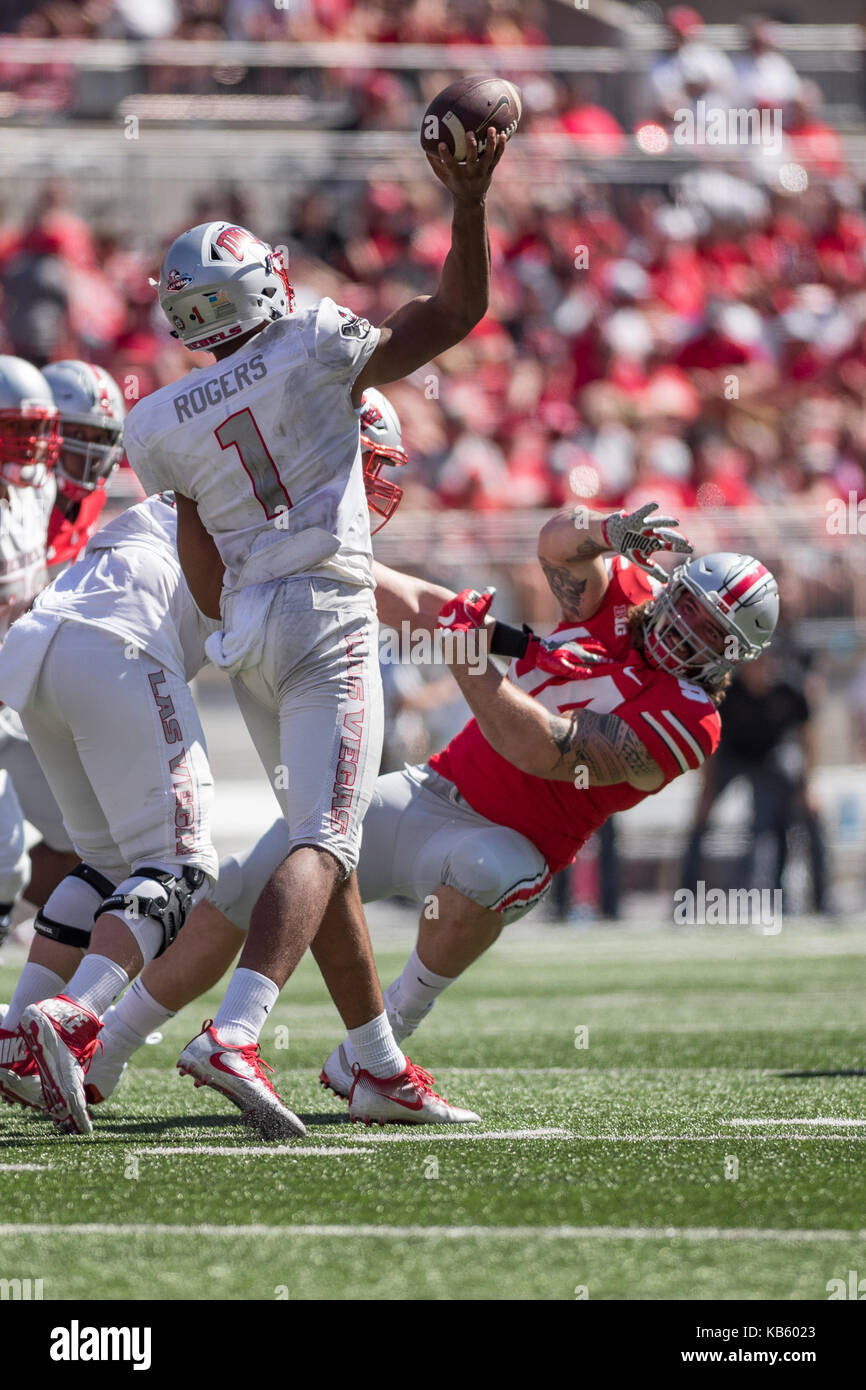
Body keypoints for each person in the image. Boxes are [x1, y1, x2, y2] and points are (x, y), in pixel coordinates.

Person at [79, 504, 780, 1104]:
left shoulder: (692, 720)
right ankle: (103, 1050)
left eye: (712, 632)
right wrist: (605, 527)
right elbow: (555, 545)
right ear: (672, 587)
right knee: (244, 884)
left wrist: (469, 663)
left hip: (509, 840)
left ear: (732, 656)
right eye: (689, 608)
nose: (688, 632)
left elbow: (545, 750)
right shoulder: (623, 596)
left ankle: (375, 1052)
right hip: (430, 791)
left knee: (491, 871)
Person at [113, 130, 507, 1134]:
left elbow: (201, 568)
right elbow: (458, 311)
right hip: (328, 608)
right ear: (262, 287)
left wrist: (244, 613)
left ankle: (373, 1063)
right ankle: (234, 1031)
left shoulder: (156, 420)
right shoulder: (313, 341)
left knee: (316, 842)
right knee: (327, 839)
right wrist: (468, 198)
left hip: (248, 631)